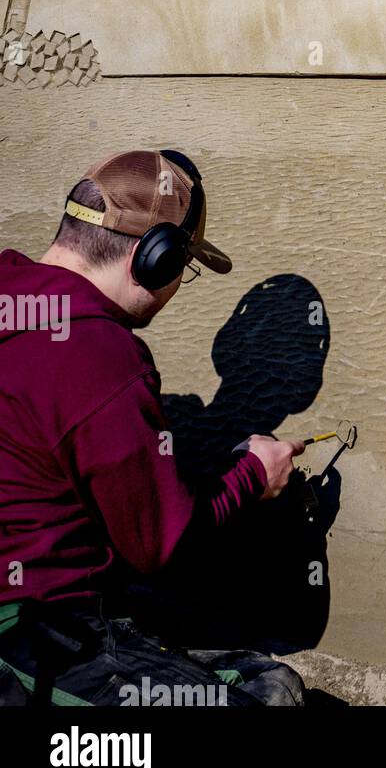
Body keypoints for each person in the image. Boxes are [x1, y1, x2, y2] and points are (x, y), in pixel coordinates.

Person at [0, 149, 306, 706]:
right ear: (154, 258)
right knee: (273, 693)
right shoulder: (101, 358)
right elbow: (165, 547)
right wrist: (252, 477)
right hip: (34, 642)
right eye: (182, 268)